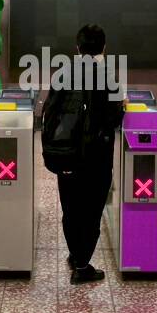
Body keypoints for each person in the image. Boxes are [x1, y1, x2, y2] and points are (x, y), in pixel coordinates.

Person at [42, 24, 124, 284]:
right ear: (103, 47)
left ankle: (75, 252)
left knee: (71, 205)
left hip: (66, 153)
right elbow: (114, 118)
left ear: (77, 48)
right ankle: (82, 264)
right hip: (97, 156)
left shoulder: (62, 74)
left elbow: (49, 114)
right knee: (92, 208)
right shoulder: (108, 77)